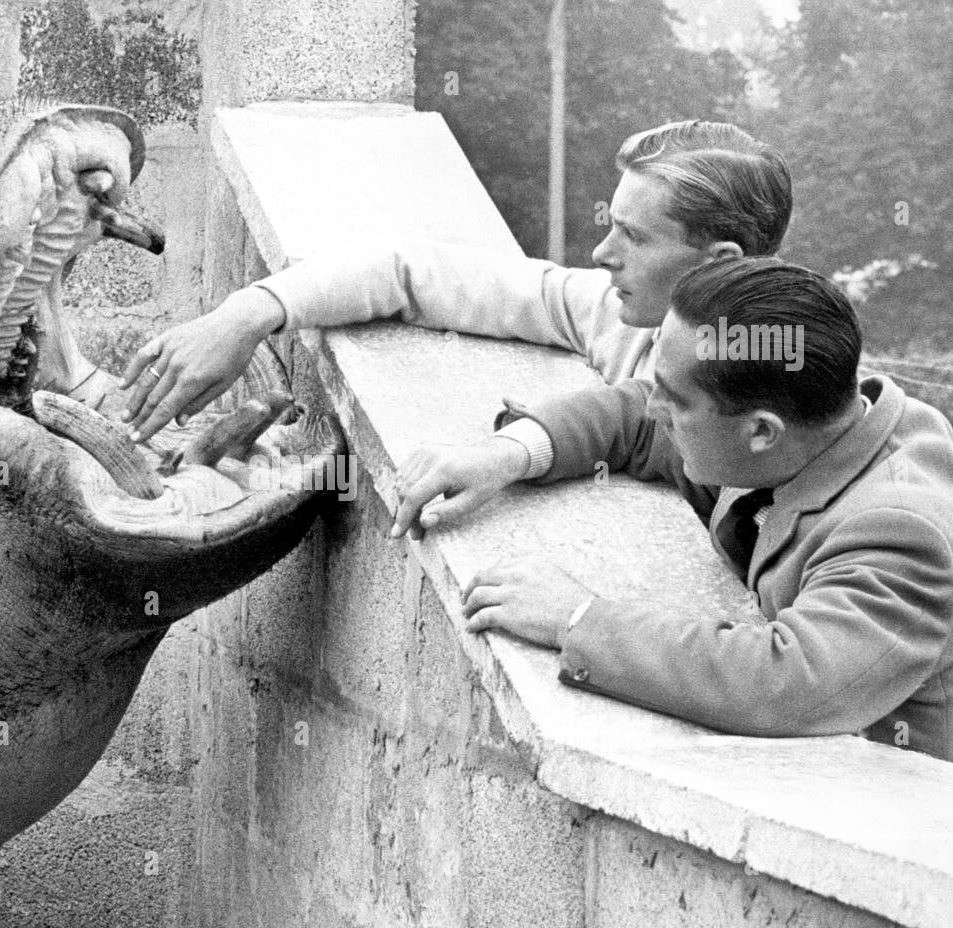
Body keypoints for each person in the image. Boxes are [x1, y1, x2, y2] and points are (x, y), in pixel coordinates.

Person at [406, 258, 952, 760]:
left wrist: (578, 620)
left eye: (675, 399)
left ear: (762, 431)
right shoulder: (813, 430)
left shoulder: (901, 530)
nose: (652, 405)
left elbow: (786, 683)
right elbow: (637, 420)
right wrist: (508, 455)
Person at [119, 119, 793, 446]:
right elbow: (411, 274)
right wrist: (247, 315)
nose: (601, 251)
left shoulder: (787, 387)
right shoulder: (611, 310)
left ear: (721, 262)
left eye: (635, 237)